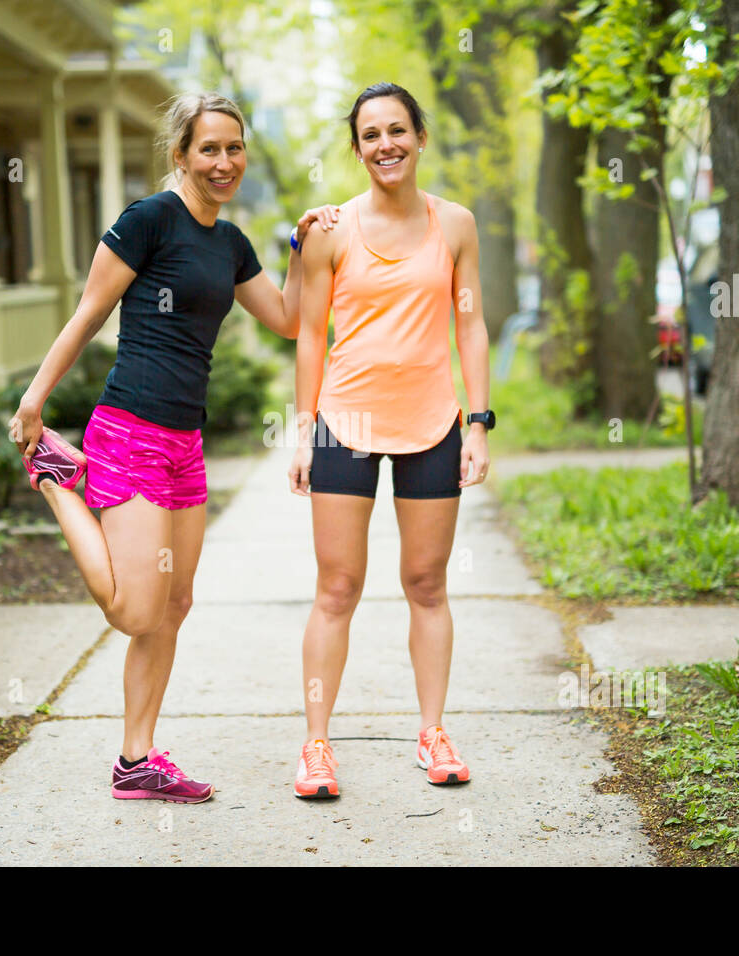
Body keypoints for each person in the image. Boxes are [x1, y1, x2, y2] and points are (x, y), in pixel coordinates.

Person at [10, 92, 336, 803]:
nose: (225, 162)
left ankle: (137, 760)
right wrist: (36, 399)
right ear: (180, 154)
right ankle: (55, 478)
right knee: (132, 610)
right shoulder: (149, 220)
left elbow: (285, 318)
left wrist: (301, 250)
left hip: (185, 443)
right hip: (128, 429)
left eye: (234, 148)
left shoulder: (231, 241)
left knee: (174, 604)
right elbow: (89, 312)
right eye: (209, 148)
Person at [288, 83, 496, 799]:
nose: (386, 144)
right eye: (371, 134)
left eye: (397, 130)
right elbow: (309, 333)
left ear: (419, 137)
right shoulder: (328, 230)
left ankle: (432, 732)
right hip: (346, 421)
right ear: (357, 148)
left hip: (432, 422)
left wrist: (479, 422)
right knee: (337, 587)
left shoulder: (457, 225)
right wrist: (301, 431)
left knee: (427, 584)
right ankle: (316, 745)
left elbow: (470, 323)